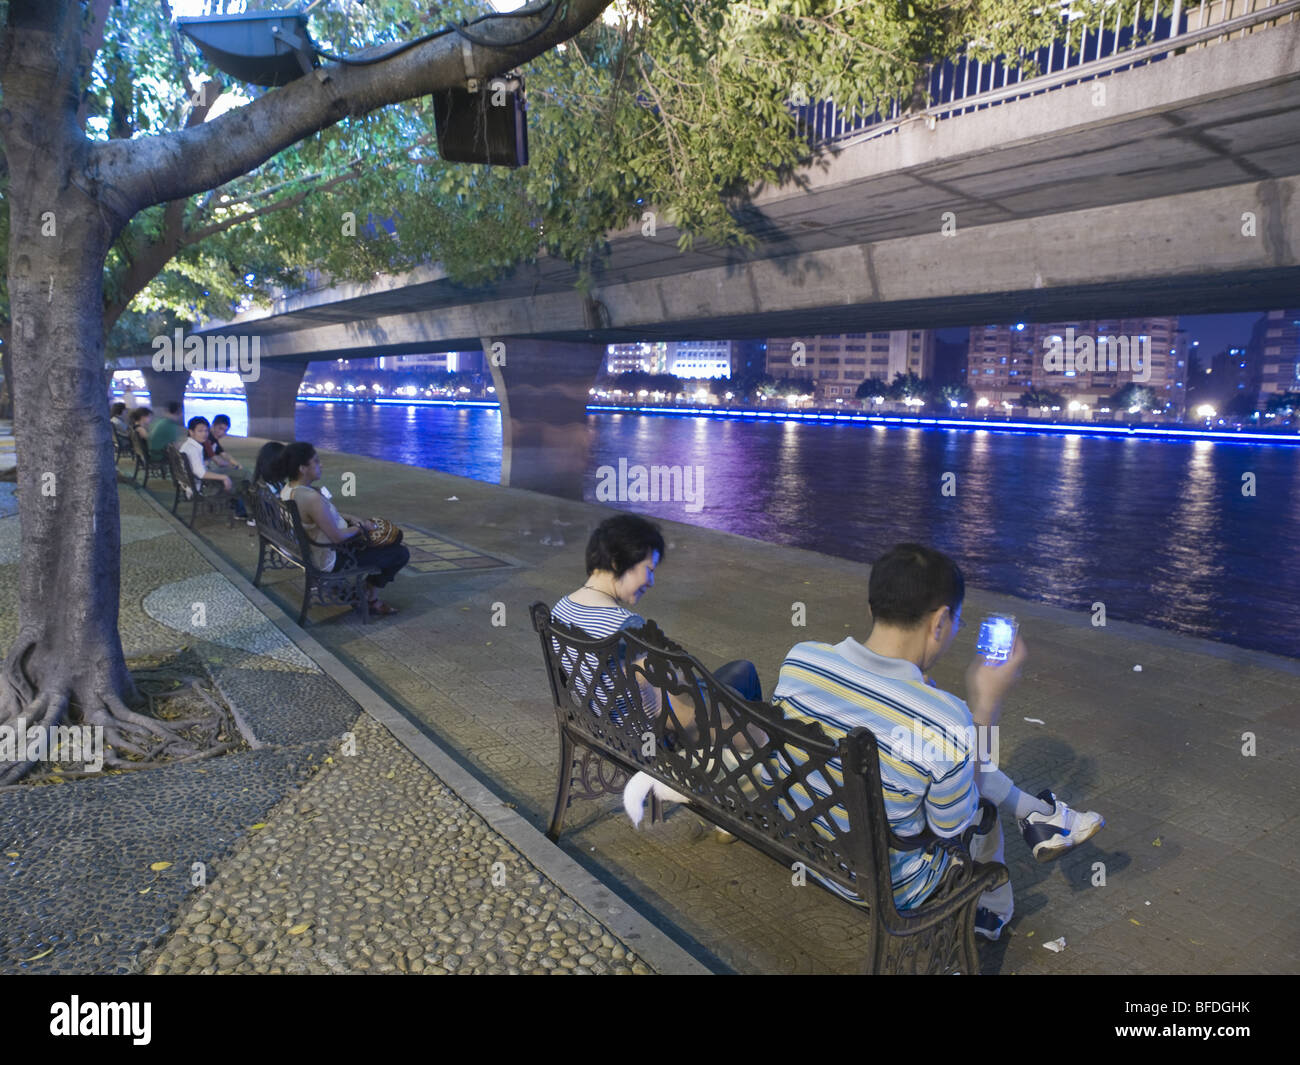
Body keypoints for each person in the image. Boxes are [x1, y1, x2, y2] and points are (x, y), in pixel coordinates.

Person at [770, 543, 1104, 942]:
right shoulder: (945, 720)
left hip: (805, 846)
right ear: (941, 621)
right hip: (890, 888)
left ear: (871, 608)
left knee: (943, 758)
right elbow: (954, 828)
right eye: (957, 621)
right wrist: (985, 707)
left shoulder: (801, 660)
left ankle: (1039, 816)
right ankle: (994, 903)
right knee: (978, 798)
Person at [551, 514, 762, 824]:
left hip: (598, 724)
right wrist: (737, 725)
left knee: (737, 676)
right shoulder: (626, 627)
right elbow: (672, 714)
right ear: (619, 560)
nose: (651, 582)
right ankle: (738, 799)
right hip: (643, 739)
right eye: (647, 571)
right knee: (749, 707)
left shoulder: (562, 609)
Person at [275, 441, 409, 616]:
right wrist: (362, 528)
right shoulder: (309, 497)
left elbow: (320, 517)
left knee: (392, 542)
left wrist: (350, 518)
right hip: (329, 557)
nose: (320, 465)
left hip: (312, 549)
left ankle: (367, 594)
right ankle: (371, 598)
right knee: (399, 553)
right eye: (316, 461)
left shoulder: (289, 490)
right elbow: (337, 537)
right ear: (302, 468)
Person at [177, 417, 233, 500]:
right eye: (200, 431)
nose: (204, 434)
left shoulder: (188, 445)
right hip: (199, 488)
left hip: (190, 483)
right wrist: (224, 477)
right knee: (236, 480)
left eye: (206, 431)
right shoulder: (193, 449)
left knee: (236, 475)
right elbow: (201, 474)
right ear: (191, 432)